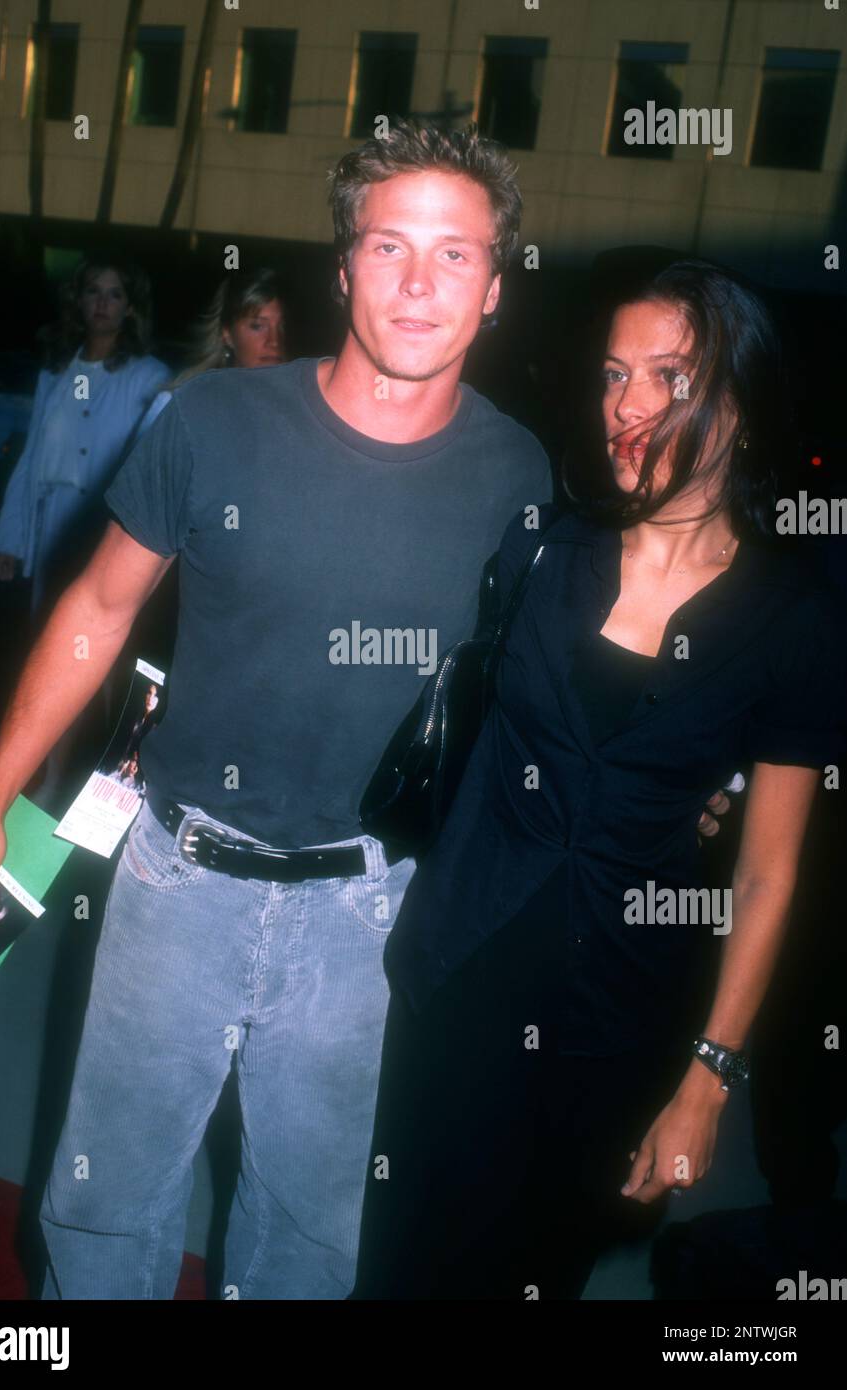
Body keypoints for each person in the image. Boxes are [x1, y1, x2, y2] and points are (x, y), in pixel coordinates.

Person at [0, 119, 556, 1299]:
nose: (416, 282)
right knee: (103, 1205)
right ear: (343, 266)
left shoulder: (518, 475)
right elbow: (95, 610)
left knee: (309, 1236)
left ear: (492, 289)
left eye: (454, 254)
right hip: (177, 881)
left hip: (367, 913)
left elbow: (525, 689)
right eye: (388, 246)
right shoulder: (213, 422)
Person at [351, 260, 847, 1300]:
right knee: (402, 1266)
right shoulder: (542, 548)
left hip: (618, 1019)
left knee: (537, 1272)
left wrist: (709, 1077)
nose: (626, 402)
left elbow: (766, 875)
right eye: (615, 374)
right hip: (458, 974)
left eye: (668, 376)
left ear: (740, 404)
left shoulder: (793, 620)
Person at [0, 255, 169, 615]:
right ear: (78, 300)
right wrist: (10, 539)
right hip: (51, 526)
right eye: (93, 292)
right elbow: (30, 458)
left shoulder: (150, 378)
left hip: (107, 528)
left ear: (130, 307)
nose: (102, 303)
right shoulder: (54, 374)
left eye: (115, 294)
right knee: (46, 624)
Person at [138, 267, 290, 434]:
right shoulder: (182, 406)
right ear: (227, 335)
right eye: (257, 326)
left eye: (281, 327)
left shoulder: (296, 409)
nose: (274, 341)